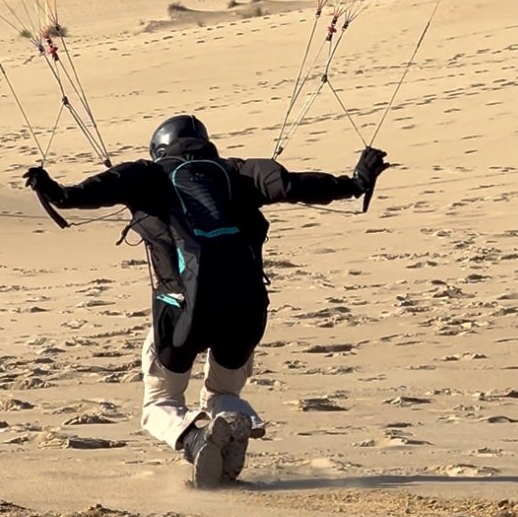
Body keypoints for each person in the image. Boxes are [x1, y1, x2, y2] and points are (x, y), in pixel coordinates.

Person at [23, 115, 387, 487]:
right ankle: (229, 422)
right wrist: (356, 182)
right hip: (246, 306)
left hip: (184, 308)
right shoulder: (238, 171)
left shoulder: (147, 174)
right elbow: (292, 184)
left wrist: (53, 190)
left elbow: (88, 193)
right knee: (224, 389)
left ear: (159, 148)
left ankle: (196, 440)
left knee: (160, 402)